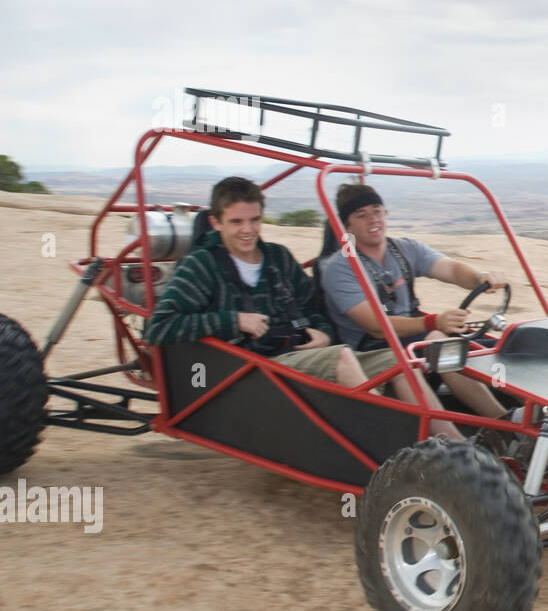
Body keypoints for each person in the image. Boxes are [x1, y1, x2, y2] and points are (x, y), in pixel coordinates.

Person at [145, 176, 464, 439]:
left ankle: (455, 446)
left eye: (255, 220)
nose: (247, 230)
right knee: (342, 356)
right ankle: (391, 445)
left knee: (398, 361)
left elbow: (314, 307)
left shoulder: (277, 257)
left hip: (297, 354)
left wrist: (322, 333)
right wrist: (232, 320)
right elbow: (159, 327)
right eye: (236, 222)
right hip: (250, 369)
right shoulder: (201, 266)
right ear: (216, 222)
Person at [320, 182, 514, 421]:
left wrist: (479, 278)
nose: (373, 220)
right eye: (361, 215)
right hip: (372, 347)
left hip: (414, 336)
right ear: (347, 226)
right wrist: (432, 323)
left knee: (505, 343)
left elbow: (451, 269)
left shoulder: (404, 249)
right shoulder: (339, 268)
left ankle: (529, 413)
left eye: (377, 211)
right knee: (439, 342)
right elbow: (375, 326)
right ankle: (493, 426)